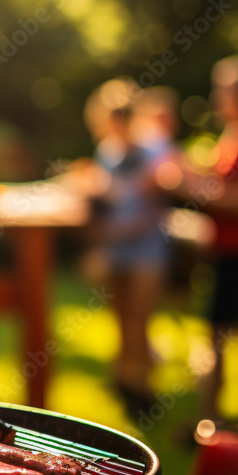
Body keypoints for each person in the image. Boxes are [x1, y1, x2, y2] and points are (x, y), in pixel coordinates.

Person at [172, 78, 238, 424]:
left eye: (224, 89)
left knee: (219, 336)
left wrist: (188, 187)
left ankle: (210, 422)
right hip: (236, 251)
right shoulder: (237, 135)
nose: (217, 96)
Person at [84, 79, 172, 416]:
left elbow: (156, 202)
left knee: (140, 318)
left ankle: (142, 388)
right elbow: (103, 200)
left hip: (146, 246)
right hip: (115, 245)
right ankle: (124, 379)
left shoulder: (153, 151)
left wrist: (124, 226)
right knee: (121, 318)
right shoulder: (107, 152)